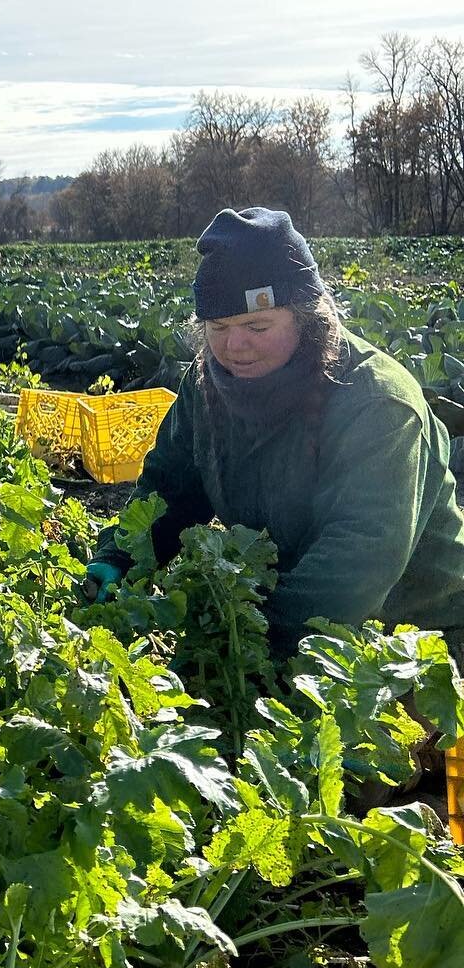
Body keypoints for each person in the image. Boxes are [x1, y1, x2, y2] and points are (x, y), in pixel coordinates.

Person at [86, 208, 464, 662]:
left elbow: (357, 561)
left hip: (419, 639)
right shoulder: (208, 382)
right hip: (295, 619)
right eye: (218, 328)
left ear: (306, 319)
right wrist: (121, 557)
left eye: (257, 327)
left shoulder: (377, 402)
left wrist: (245, 642)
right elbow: (169, 489)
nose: (234, 346)